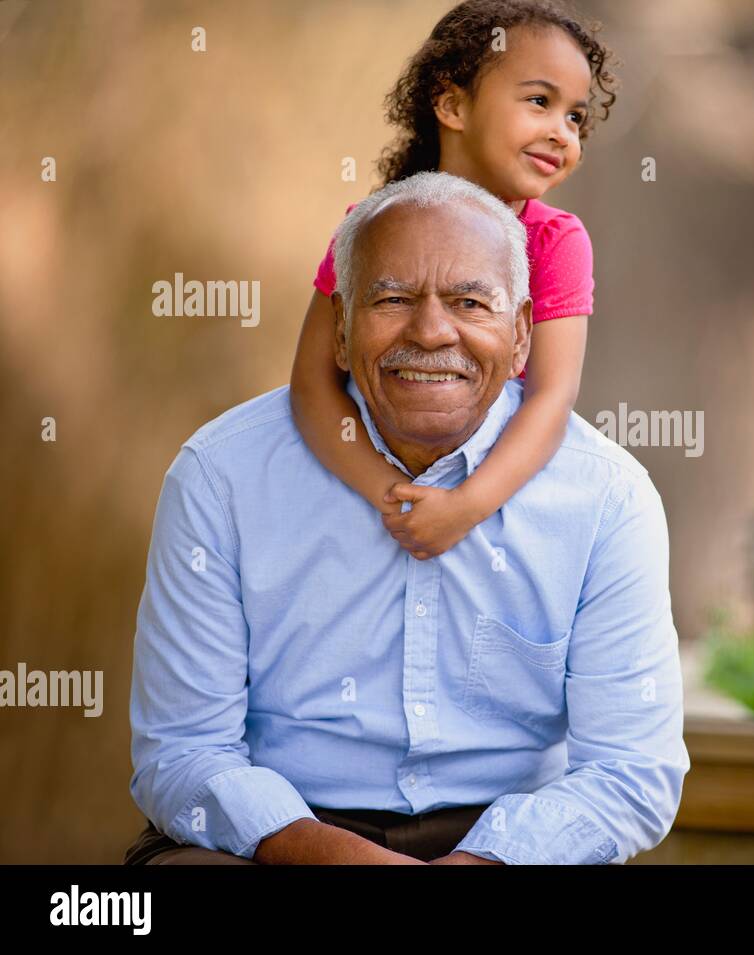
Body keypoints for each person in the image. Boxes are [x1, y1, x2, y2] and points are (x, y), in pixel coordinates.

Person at [125, 171, 689, 865]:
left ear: (520, 339)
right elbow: (183, 751)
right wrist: (323, 852)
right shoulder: (220, 477)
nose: (430, 330)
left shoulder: (607, 498)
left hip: (512, 844)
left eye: (469, 302)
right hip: (281, 838)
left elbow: (629, 774)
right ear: (338, 331)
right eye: (391, 298)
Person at [291, 0, 616, 561]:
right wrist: (391, 497)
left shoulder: (555, 242)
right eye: (539, 102)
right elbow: (312, 385)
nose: (563, 134)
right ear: (451, 103)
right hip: (372, 508)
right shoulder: (369, 230)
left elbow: (552, 398)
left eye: (575, 117)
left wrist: (466, 507)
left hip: (495, 510)